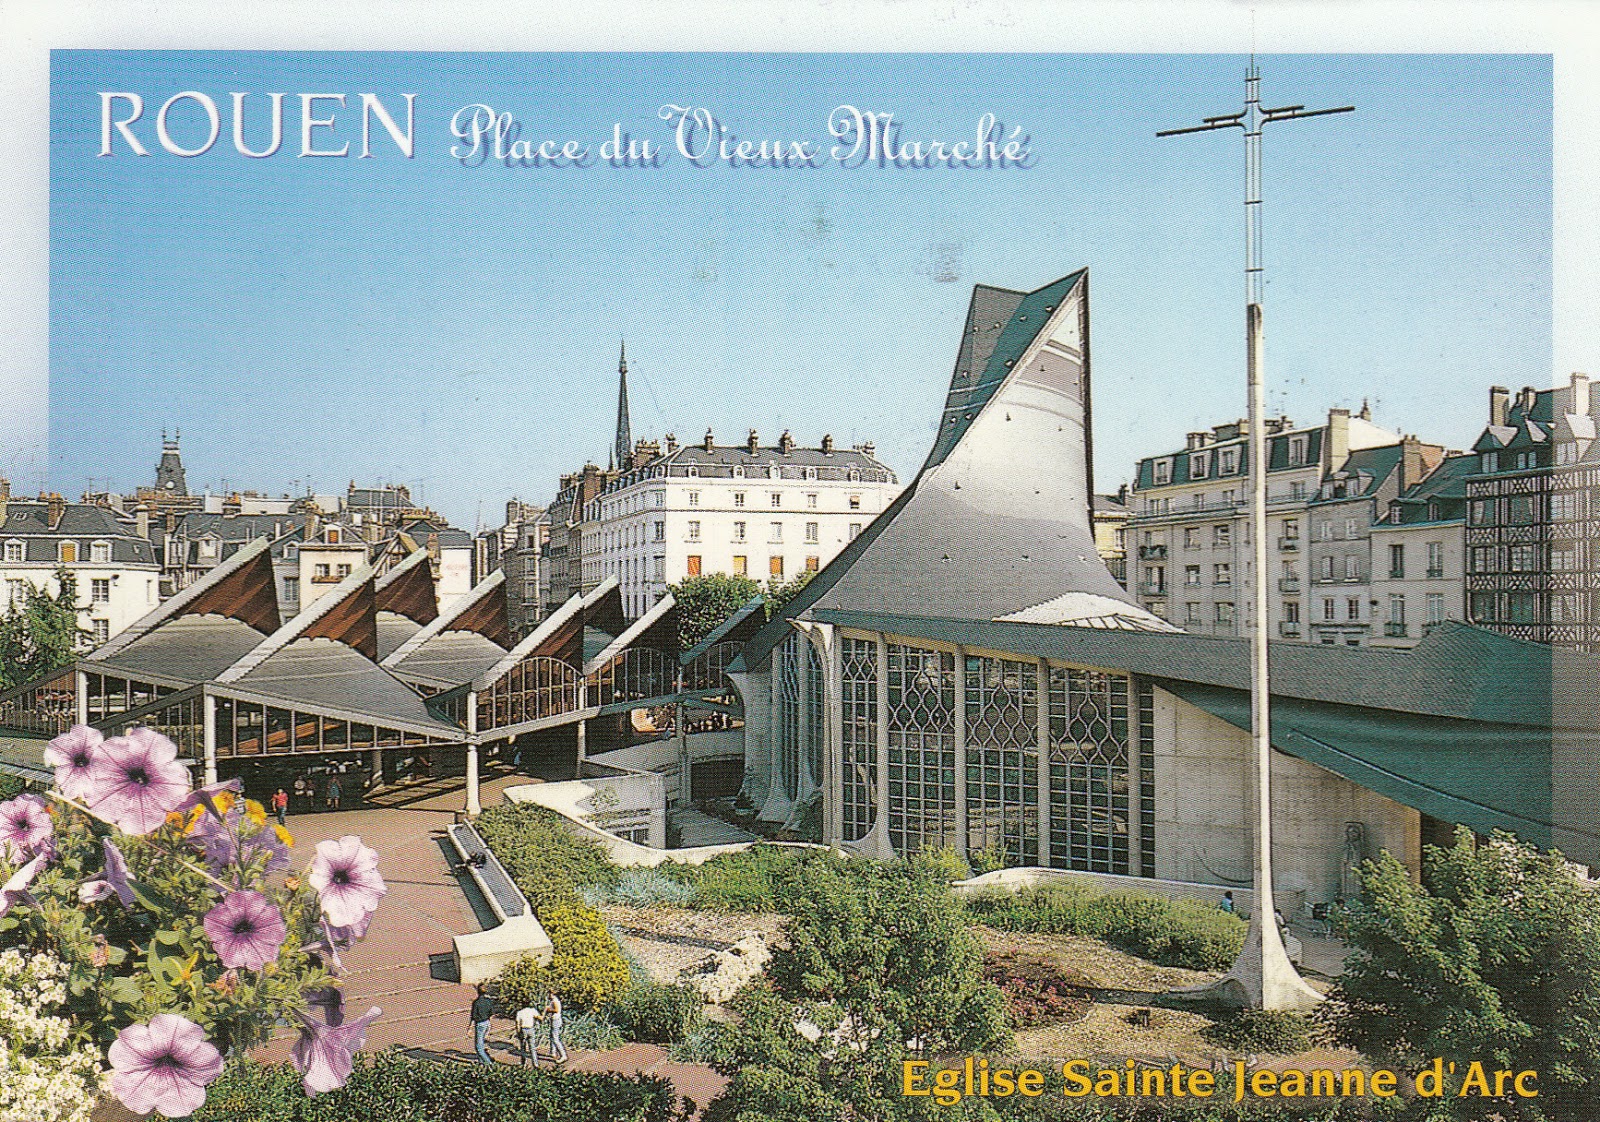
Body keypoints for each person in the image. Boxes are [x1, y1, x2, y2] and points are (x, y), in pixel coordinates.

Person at [470, 983, 495, 1065]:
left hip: (480, 1024)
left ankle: (489, 1063)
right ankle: (481, 1063)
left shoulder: (476, 1003)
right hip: (487, 1022)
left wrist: (470, 1028)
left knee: (478, 1047)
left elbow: (473, 1016)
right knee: (481, 1043)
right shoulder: (488, 1001)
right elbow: (492, 1013)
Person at [514, 1002, 542, 1067]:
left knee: (523, 1047)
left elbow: (518, 1024)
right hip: (531, 1029)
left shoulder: (520, 1012)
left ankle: (523, 1063)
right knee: (532, 1048)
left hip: (523, 1029)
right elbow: (539, 1017)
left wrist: (518, 1032)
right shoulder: (532, 1011)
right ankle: (535, 1064)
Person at [544, 991, 566, 1064]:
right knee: (552, 1036)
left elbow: (556, 1010)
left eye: (549, 993)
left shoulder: (555, 1001)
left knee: (555, 1038)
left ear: (552, 994)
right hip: (555, 1020)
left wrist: (548, 1009)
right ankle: (553, 1052)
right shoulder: (554, 1000)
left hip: (556, 1020)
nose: (548, 995)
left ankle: (563, 1055)